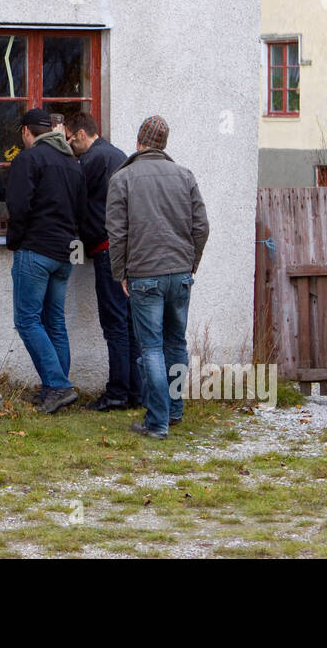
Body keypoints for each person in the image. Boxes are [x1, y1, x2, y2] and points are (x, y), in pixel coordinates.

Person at [106, 116, 209, 439]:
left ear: (139, 141)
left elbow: (117, 232)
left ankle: (157, 421)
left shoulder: (123, 178)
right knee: (176, 344)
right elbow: (201, 227)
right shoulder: (185, 176)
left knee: (150, 348)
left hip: (144, 275)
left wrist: (119, 271)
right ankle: (174, 411)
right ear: (164, 144)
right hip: (179, 273)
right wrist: (191, 263)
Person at [5, 108, 88, 414]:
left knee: (27, 320)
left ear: (27, 132)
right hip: (64, 253)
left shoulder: (29, 159)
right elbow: (81, 212)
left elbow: (18, 206)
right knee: (54, 322)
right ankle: (54, 388)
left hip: (36, 250)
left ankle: (58, 385)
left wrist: (15, 242)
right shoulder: (71, 162)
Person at [65, 112, 137, 411]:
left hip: (108, 250)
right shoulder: (118, 155)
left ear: (82, 134)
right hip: (129, 250)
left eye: (70, 140)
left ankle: (118, 392)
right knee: (130, 324)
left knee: (115, 324)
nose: (69, 146)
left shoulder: (92, 160)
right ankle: (136, 390)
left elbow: (77, 202)